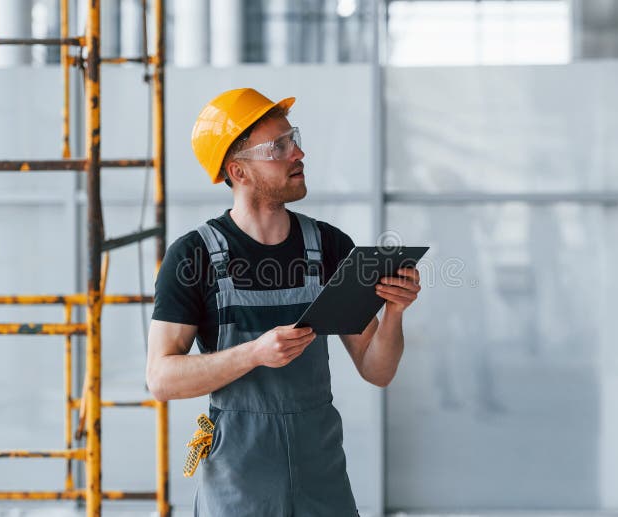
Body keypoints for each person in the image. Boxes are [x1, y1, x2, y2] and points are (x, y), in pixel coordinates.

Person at [146, 88, 421, 516]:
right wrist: (255, 353)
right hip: (239, 479)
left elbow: (377, 369)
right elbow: (161, 378)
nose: (299, 152)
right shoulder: (193, 257)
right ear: (238, 170)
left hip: (322, 475)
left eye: (293, 138)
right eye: (280, 146)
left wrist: (394, 313)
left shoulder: (329, 246)